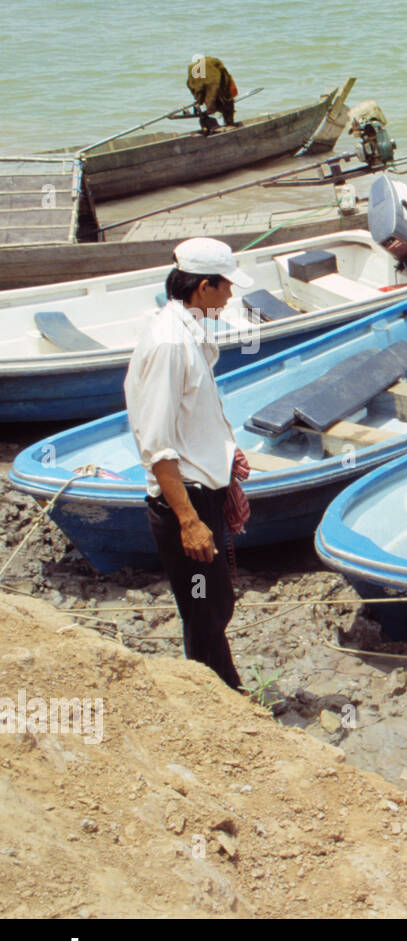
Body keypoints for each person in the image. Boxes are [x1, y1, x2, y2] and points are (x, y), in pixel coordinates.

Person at [124, 238, 253, 691]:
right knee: (203, 605)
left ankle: (217, 687)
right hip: (188, 503)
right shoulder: (170, 344)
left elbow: (189, 419)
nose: (231, 297)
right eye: (226, 288)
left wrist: (222, 451)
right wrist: (189, 521)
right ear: (203, 288)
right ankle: (218, 693)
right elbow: (157, 446)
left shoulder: (187, 331)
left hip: (204, 493)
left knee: (214, 602)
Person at [187, 56, 238, 130]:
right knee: (226, 103)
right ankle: (226, 122)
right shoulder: (211, 66)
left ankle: (210, 121)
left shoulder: (193, 68)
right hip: (218, 85)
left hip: (209, 83)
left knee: (215, 99)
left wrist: (199, 100)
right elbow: (215, 86)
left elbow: (192, 85)